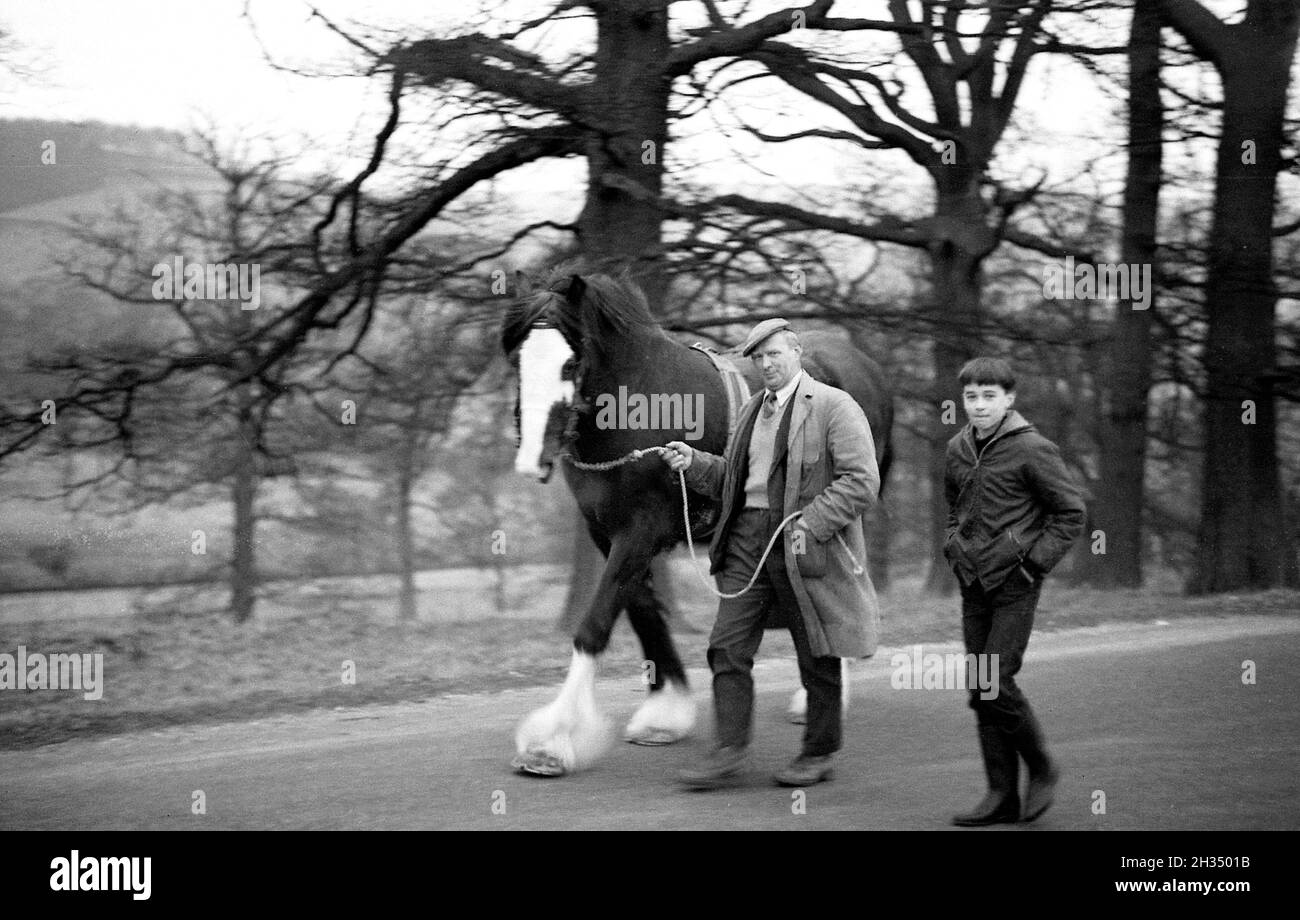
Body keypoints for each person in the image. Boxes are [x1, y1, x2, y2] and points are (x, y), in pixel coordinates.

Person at [663, 318, 880, 789]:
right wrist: (694, 462)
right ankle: (728, 749)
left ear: (796, 351)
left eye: (774, 354)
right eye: (758, 358)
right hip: (746, 542)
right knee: (727, 645)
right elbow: (733, 477)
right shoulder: (750, 412)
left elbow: (862, 483)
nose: (766, 365)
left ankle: (818, 752)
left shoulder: (834, 407)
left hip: (804, 542)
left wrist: (811, 522)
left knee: (816, 651)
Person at [943, 357, 1086, 825]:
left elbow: (1069, 514)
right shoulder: (957, 449)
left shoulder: (1033, 449)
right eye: (971, 397)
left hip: (1015, 584)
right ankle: (1000, 794)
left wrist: (1034, 565)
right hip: (972, 585)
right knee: (980, 688)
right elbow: (955, 509)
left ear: (1009, 399)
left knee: (994, 683)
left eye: (989, 396)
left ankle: (1042, 766)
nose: (979, 406)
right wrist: (953, 545)